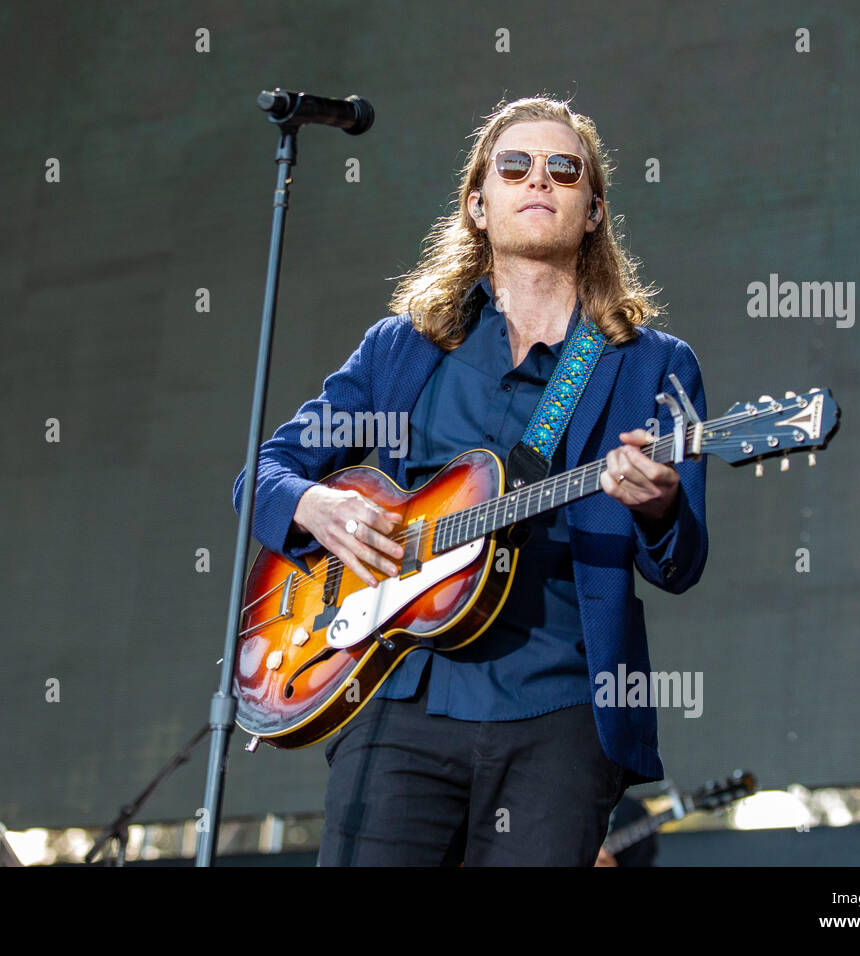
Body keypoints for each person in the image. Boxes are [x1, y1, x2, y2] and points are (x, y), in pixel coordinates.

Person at [232, 95, 708, 866]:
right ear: (478, 203)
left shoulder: (651, 363)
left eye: (565, 170)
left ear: (592, 211)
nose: (539, 181)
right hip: (400, 696)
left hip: (559, 713)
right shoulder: (404, 346)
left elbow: (681, 562)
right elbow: (264, 473)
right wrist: (317, 506)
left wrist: (660, 504)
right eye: (514, 166)